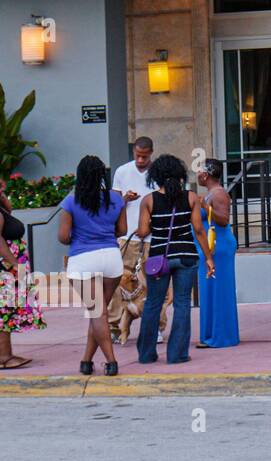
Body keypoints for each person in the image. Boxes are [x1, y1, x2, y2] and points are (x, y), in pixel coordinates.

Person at [136, 155, 213, 366]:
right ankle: (177, 354)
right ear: (179, 175)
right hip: (186, 256)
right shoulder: (191, 198)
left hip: (159, 258)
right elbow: (198, 229)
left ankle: (146, 354)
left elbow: (143, 231)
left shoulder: (148, 200)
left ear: (156, 176)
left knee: (153, 303)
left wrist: (150, 227)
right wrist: (208, 257)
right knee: (182, 304)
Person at [59, 156, 127, 375]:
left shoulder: (71, 201)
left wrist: (77, 237)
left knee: (97, 314)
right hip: (111, 258)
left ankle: (111, 361)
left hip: (83, 259)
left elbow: (63, 236)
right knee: (98, 313)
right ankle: (86, 361)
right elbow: (122, 230)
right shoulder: (116, 199)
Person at [109, 136, 163, 344]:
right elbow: (113, 203)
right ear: (133, 153)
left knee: (153, 284)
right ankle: (116, 326)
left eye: (145, 156)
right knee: (118, 283)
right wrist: (125, 199)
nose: (141, 160)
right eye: (138, 156)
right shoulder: (122, 171)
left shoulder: (158, 172)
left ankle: (156, 326)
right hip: (127, 236)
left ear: (151, 153)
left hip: (152, 237)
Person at [0, 179, 44, 369]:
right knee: (4, 310)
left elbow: (9, 209)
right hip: (6, 266)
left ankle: (6, 354)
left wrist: (1, 195)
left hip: (10, 265)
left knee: (8, 309)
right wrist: (15, 265)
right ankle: (4, 357)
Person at [195, 159, 239, 349]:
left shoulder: (219, 194)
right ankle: (211, 333)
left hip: (219, 248)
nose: (196, 175)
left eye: (199, 172)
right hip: (211, 248)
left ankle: (221, 335)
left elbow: (223, 219)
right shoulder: (210, 193)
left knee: (218, 290)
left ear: (206, 174)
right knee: (210, 291)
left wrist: (205, 208)